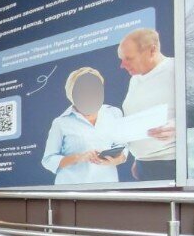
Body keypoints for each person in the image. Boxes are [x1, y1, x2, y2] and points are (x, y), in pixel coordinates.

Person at [42, 67, 126, 185]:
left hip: (108, 187)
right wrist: (79, 157)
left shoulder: (114, 113)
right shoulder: (61, 123)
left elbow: (123, 149)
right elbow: (48, 160)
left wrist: (117, 160)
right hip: (72, 190)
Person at [118, 28, 176, 180]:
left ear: (152, 50)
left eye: (128, 58)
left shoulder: (177, 69)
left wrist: (179, 126)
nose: (122, 65)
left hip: (171, 165)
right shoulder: (135, 79)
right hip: (143, 166)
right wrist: (138, 158)